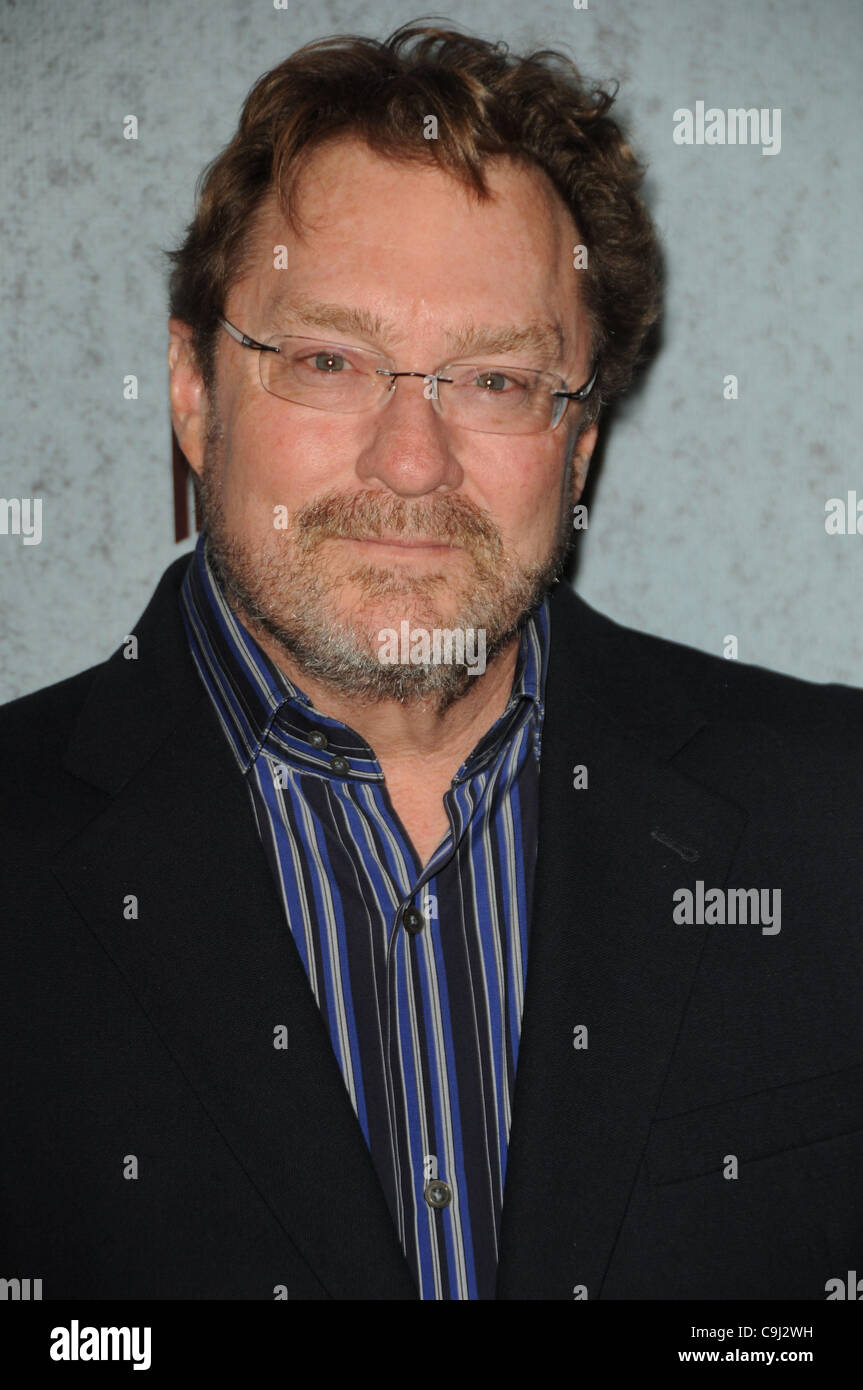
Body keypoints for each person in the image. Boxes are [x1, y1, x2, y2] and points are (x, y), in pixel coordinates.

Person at [1, 22, 861, 1303]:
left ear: (577, 445)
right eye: (327, 361)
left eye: (496, 380)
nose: (411, 462)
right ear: (191, 389)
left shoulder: (832, 819)